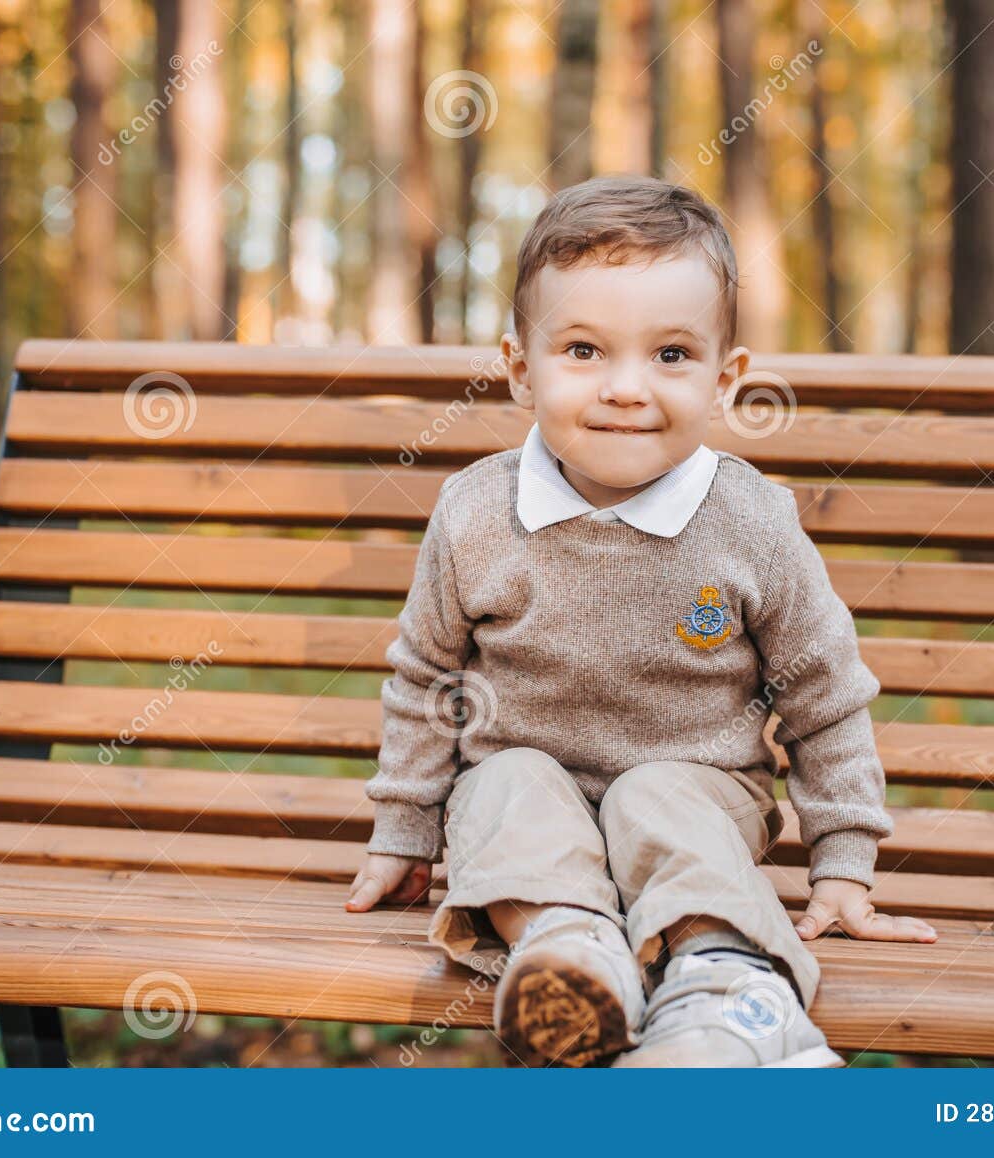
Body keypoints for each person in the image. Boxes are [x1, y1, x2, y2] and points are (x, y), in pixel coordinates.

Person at [346, 174, 937, 1068]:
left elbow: (824, 696)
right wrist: (403, 831)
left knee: (656, 797)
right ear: (519, 367)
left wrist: (843, 861)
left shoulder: (752, 523)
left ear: (725, 377)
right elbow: (427, 681)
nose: (627, 389)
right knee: (504, 787)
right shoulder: (474, 513)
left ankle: (726, 987)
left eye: (670, 355)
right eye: (583, 350)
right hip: (529, 796)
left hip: (698, 793)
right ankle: (570, 961)